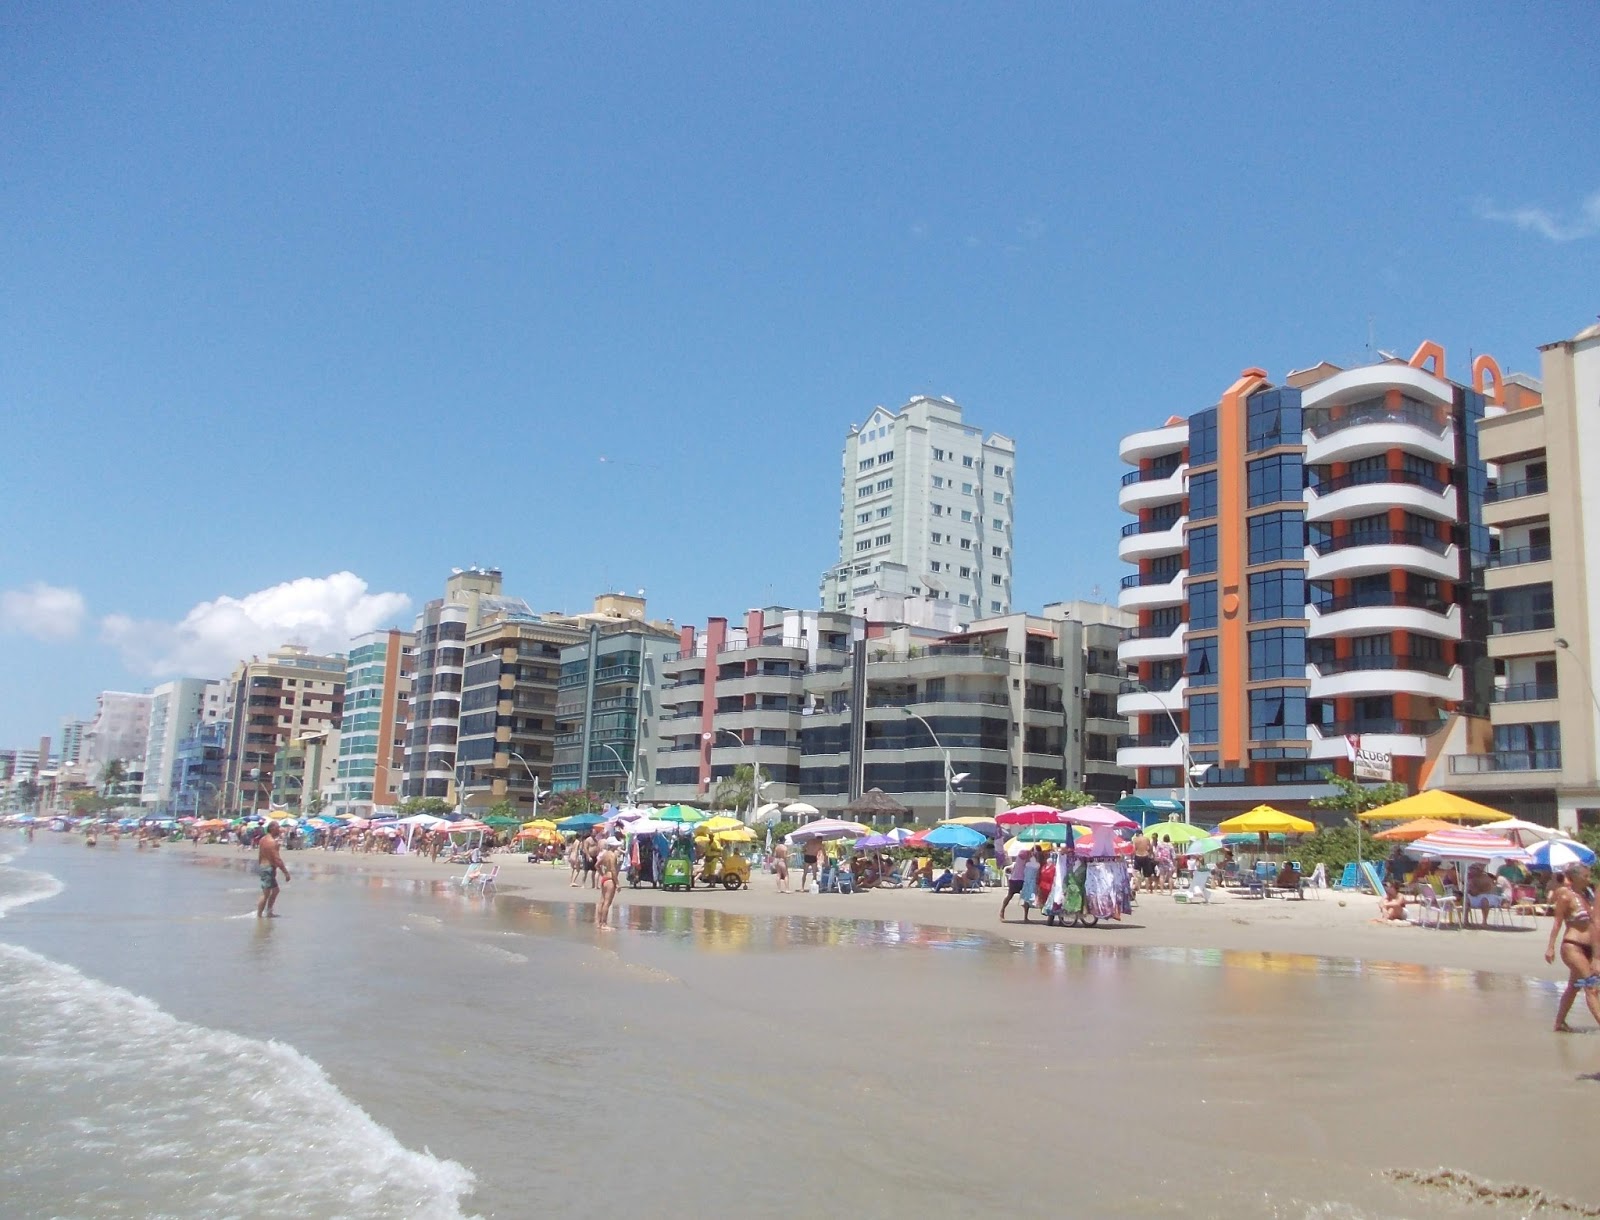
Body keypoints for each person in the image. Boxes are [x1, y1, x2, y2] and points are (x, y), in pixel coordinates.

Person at [1545, 863, 1600, 1033]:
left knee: (1574, 986)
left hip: (1588, 949)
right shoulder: (1566, 896)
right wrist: (1551, 947)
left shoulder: (1586, 896)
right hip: (1572, 947)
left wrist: (1596, 955)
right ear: (1575, 877)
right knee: (1591, 985)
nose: (1588, 879)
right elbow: (1557, 923)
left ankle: (1559, 1023)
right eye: (1586, 876)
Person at [256, 822, 290, 918]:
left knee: (275, 890)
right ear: (272, 829)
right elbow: (277, 859)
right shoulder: (272, 842)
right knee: (266, 893)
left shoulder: (263, 839)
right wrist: (286, 873)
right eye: (277, 828)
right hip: (268, 868)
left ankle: (269, 911)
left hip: (264, 866)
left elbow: (261, 855)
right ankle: (259, 916)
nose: (279, 830)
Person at [595, 835, 620, 928]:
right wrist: (617, 883)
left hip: (605, 879)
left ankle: (599, 923)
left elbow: (597, 865)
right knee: (607, 902)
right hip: (610, 880)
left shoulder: (605, 854)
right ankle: (604, 924)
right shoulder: (612, 855)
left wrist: (602, 874)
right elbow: (613, 870)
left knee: (601, 901)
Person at [999, 843, 1029, 921]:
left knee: (1025, 898)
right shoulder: (1023, 853)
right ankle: (1002, 911)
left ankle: (1026, 916)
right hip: (1015, 879)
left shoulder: (1028, 855)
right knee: (1010, 896)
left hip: (1022, 879)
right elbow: (1023, 856)